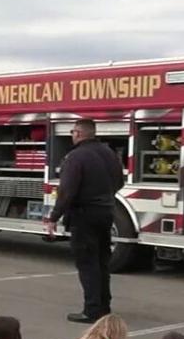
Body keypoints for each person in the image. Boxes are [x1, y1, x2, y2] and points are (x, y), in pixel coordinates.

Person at [42, 118, 124, 323]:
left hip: (83, 215)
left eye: (72, 132)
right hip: (106, 213)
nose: (72, 135)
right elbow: (119, 181)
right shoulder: (109, 153)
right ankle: (104, 306)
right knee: (101, 262)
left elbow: (67, 190)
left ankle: (91, 310)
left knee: (87, 264)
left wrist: (54, 217)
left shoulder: (75, 157)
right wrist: (104, 197)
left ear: (78, 133)